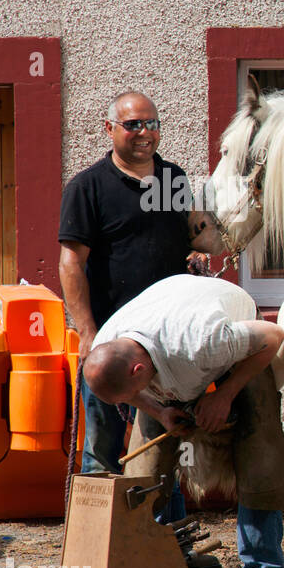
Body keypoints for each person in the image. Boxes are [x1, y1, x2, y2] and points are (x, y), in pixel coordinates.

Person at [82, 275, 284, 568]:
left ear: (137, 371)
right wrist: (159, 411)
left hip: (235, 340)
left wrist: (224, 395)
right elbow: (123, 394)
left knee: (259, 454)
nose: (129, 399)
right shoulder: (109, 346)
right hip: (170, 344)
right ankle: (159, 563)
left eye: (131, 391)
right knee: (145, 473)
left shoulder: (204, 341)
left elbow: (273, 335)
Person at [58, 91, 198, 475]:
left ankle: (160, 531)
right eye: (133, 124)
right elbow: (70, 263)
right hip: (111, 341)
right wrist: (87, 332)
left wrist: (196, 254)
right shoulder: (88, 188)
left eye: (151, 123)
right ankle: (99, 531)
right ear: (110, 128)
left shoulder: (173, 180)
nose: (144, 133)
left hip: (165, 341)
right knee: (102, 451)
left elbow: (185, 240)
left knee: (163, 445)